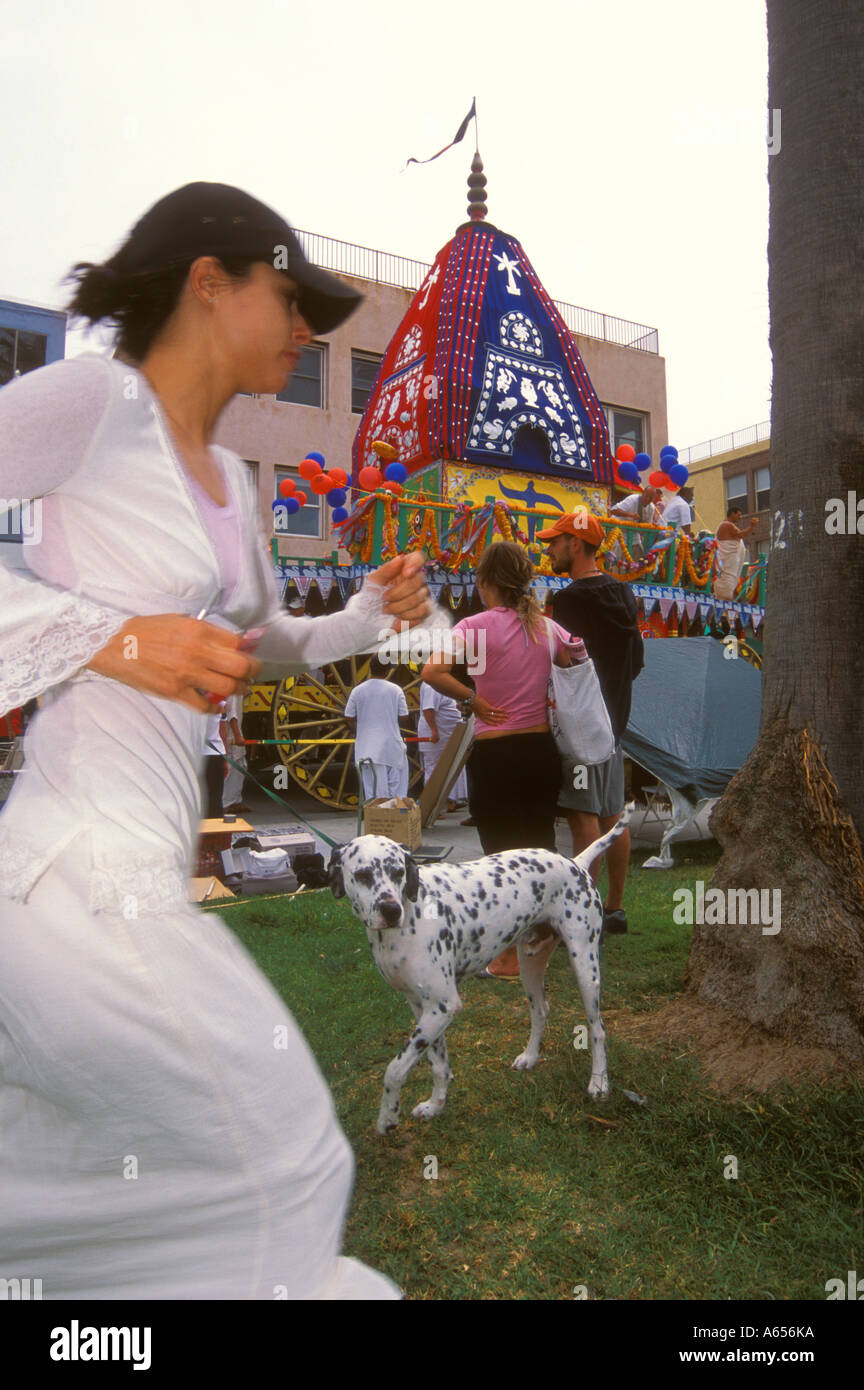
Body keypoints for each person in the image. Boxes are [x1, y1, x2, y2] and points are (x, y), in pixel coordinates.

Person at [0, 182, 433, 1301]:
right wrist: (106, 639)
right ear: (208, 282)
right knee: (289, 1158)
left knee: (92, 1202)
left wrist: (363, 619)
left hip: (143, 871)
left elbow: (257, 643)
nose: (304, 333)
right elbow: (140, 642)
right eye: (290, 301)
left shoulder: (238, 488)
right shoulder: (95, 400)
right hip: (72, 869)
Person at [421, 541, 585, 977]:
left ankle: (510, 955)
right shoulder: (548, 628)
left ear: (487, 581)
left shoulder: (475, 627)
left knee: (502, 860)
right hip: (540, 751)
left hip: (497, 753)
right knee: (539, 850)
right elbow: (577, 664)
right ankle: (547, 938)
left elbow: (432, 672)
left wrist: (474, 699)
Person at [538, 511, 644, 936]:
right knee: (614, 816)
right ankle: (614, 909)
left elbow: (561, 664)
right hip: (614, 726)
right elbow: (636, 662)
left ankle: (583, 914)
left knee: (584, 818)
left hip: (581, 730)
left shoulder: (568, 602)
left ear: (576, 545)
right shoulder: (625, 595)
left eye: (556, 542)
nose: (549, 549)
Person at [344, 656, 411, 800]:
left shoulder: (357, 691)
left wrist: (360, 729)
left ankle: (375, 816)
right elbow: (404, 716)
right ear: (387, 671)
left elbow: (349, 717)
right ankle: (393, 816)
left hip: (367, 748)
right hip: (391, 746)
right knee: (396, 790)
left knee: (372, 793)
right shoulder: (396, 690)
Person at [416, 682, 468, 812]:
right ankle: (431, 806)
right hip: (437, 736)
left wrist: (455, 706)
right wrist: (434, 730)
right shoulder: (430, 686)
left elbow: (442, 703)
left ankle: (450, 800)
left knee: (448, 766)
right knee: (433, 768)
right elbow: (428, 709)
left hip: (446, 735)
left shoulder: (441, 686)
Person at [714, 505, 757, 600]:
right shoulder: (726, 525)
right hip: (727, 563)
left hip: (732, 563)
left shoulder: (730, 526)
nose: (740, 517)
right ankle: (725, 600)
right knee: (726, 579)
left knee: (730, 580)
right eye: (738, 515)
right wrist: (751, 526)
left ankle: (727, 599)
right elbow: (741, 534)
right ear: (732, 513)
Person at [221, 690, 249, 814]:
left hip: (233, 734)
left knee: (241, 767)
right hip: (231, 735)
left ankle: (236, 801)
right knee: (233, 767)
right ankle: (226, 803)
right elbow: (232, 716)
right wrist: (237, 736)